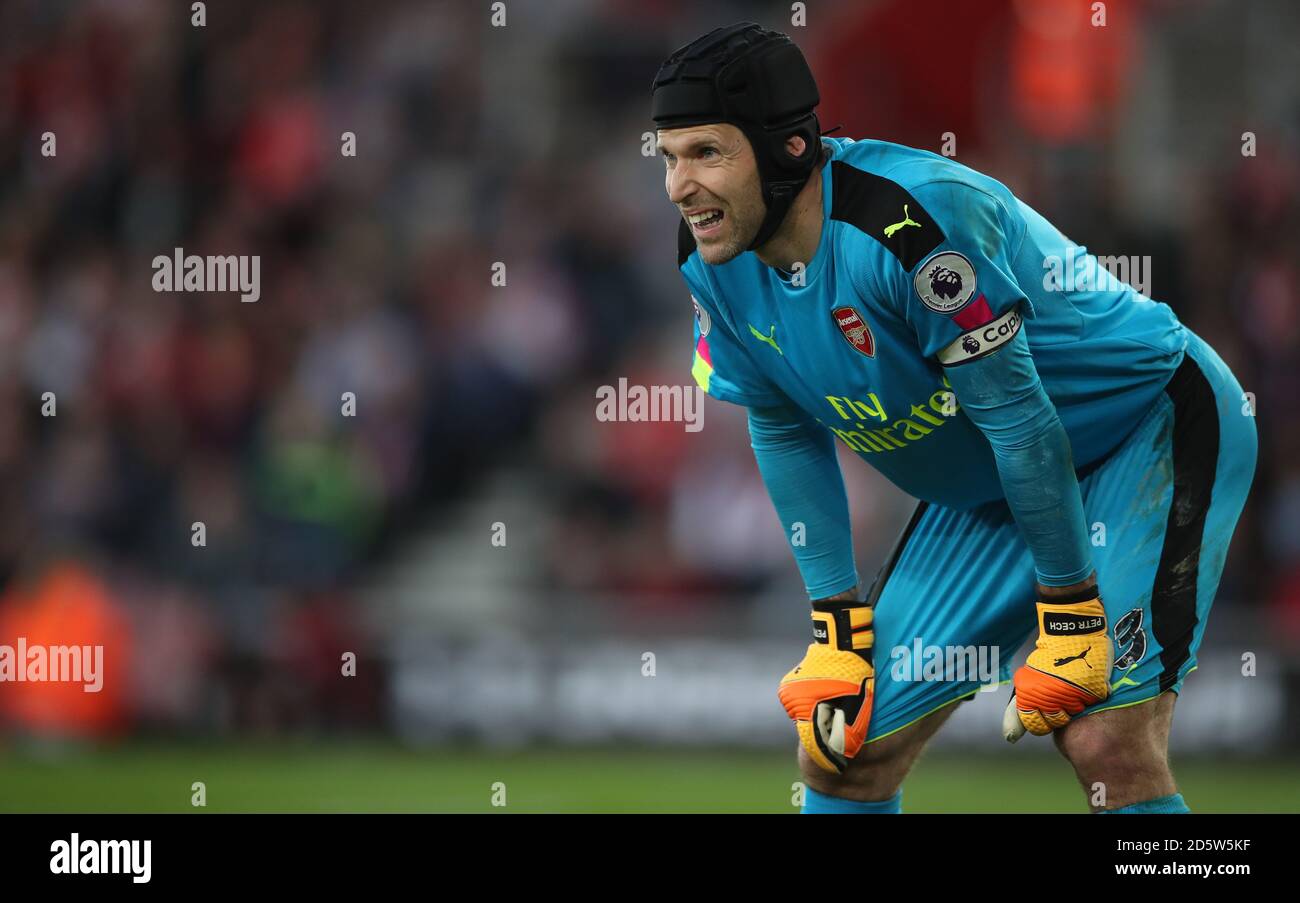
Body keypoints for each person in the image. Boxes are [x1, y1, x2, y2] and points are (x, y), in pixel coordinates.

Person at [651, 22, 1257, 813]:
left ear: (788, 150)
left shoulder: (915, 225)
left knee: (1105, 741)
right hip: (993, 487)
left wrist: (1070, 611)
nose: (679, 186)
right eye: (668, 156)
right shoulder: (711, 261)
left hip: (1147, 429)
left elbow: (1018, 419)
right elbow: (781, 425)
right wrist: (837, 623)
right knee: (844, 747)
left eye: (706, 153)